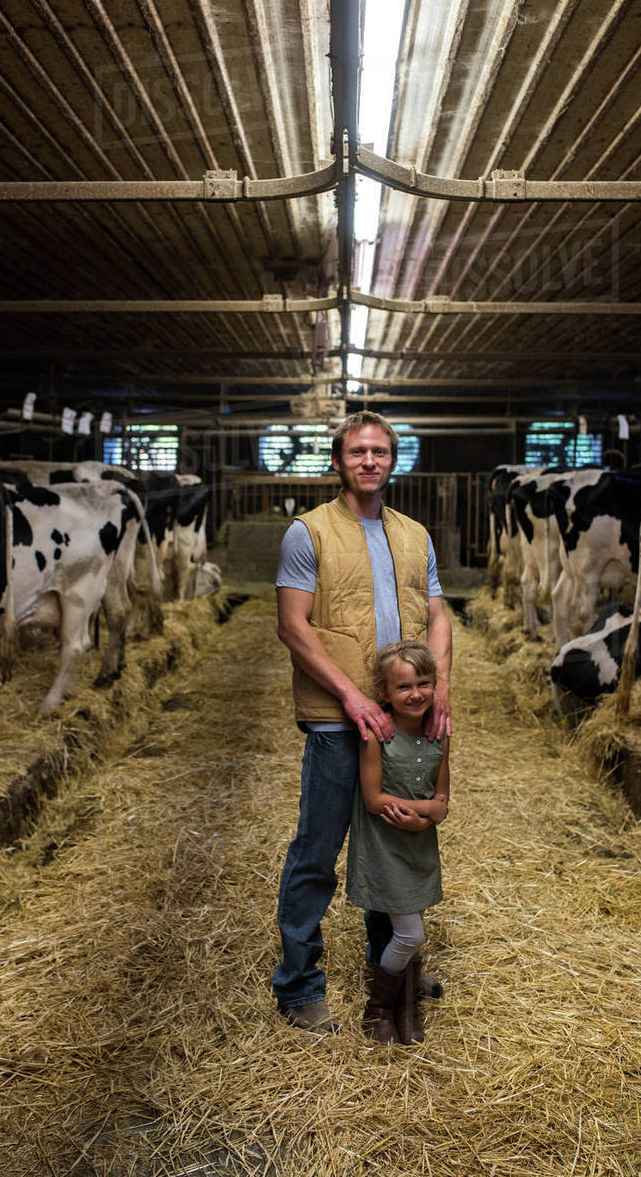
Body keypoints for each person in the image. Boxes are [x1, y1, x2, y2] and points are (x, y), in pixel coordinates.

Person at [273, 410, 452, 1031]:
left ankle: (391, 964)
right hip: (336, 719)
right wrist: (352, 697)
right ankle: (299, 986)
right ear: (337, 461)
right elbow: (293, 627)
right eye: (357, 452)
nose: (369, 461)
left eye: (379, 451)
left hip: (400, 722)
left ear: (393, 460)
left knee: (393, 843)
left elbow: (438, 616)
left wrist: (442, 688)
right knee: (318, 852)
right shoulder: (309, 532)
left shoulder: (415, 535)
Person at [346, 640, 449, 1045]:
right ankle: (378, 1011)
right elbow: (374, 800)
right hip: (385, 847)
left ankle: (405, 1012)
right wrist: (423, 811)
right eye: (403, 687)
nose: (416, 693)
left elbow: (442, 798)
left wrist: (432, 811)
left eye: (424, 683)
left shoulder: (438, 734)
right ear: (384, 693)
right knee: (410, 935)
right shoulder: (377, 736)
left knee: (410, 924)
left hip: (419, 848)